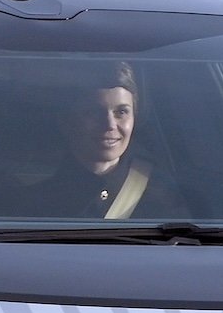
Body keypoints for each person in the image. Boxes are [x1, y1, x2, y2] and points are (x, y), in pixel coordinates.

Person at [19, 62, 184, 220]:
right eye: (94, 112)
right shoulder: (33, 203)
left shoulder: (164, 193)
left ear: (135, 117)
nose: (110, 124)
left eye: (121, 112)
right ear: (66, 121)